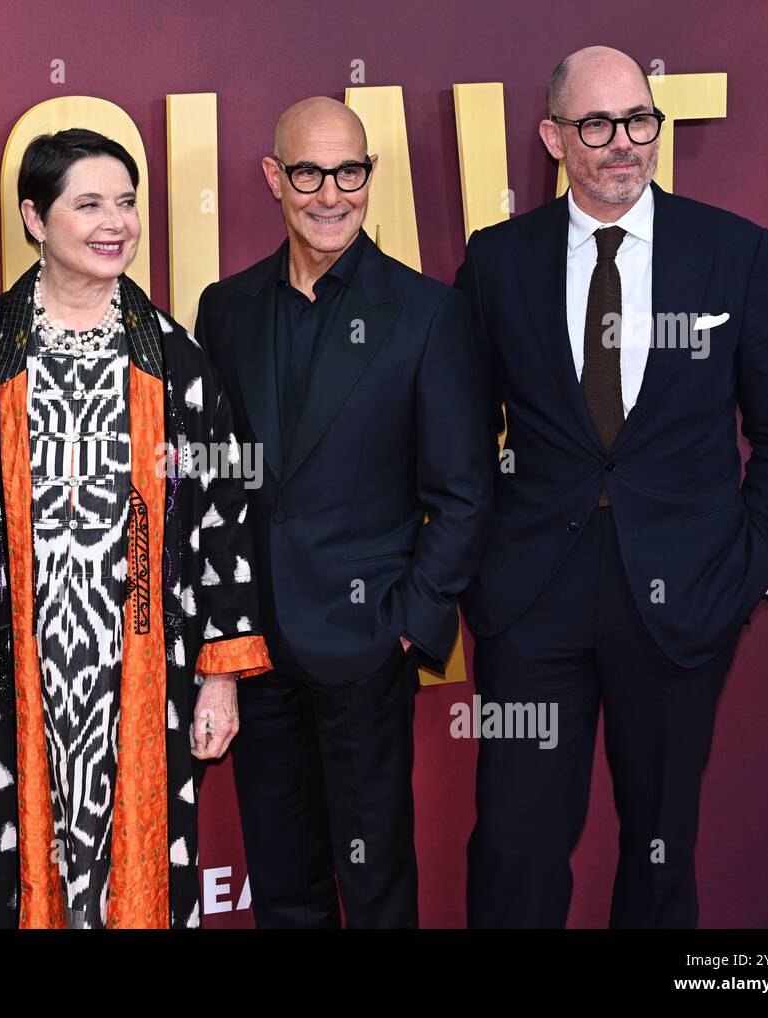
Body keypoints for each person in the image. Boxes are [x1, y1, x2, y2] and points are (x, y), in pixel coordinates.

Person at [455, 46, 768, 927]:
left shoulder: (732, 252)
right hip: (533, 599)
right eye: (597, 125)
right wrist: (477, 568)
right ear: (552, 136)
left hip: (684, 597)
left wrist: (753, 569)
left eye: (640, 121)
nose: (624, 143)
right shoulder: (498, 261)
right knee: (513, 847)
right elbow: (459, 440)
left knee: (660, 849)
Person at [0, 128, 271, 929]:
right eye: (87, 202)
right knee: (8, 870)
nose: (115, 222)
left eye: (126, 202)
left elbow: (224, 525)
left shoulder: (178, 359)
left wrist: (221, 677)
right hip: (6, 670)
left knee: (137, 878)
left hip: (141, 665)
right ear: (34, 217)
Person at [195, 97, 492, 927]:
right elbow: (217, 484)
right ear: (273, 178)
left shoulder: (427, 314)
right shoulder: (228, 308)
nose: (331, 194)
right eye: (309, 173)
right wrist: (224, 634)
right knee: (284, 887)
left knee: (375, 885)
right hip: (258, 654)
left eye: (350, 172)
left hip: (364, 649)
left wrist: (404, 625)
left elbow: (465, 492)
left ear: (370, 176)